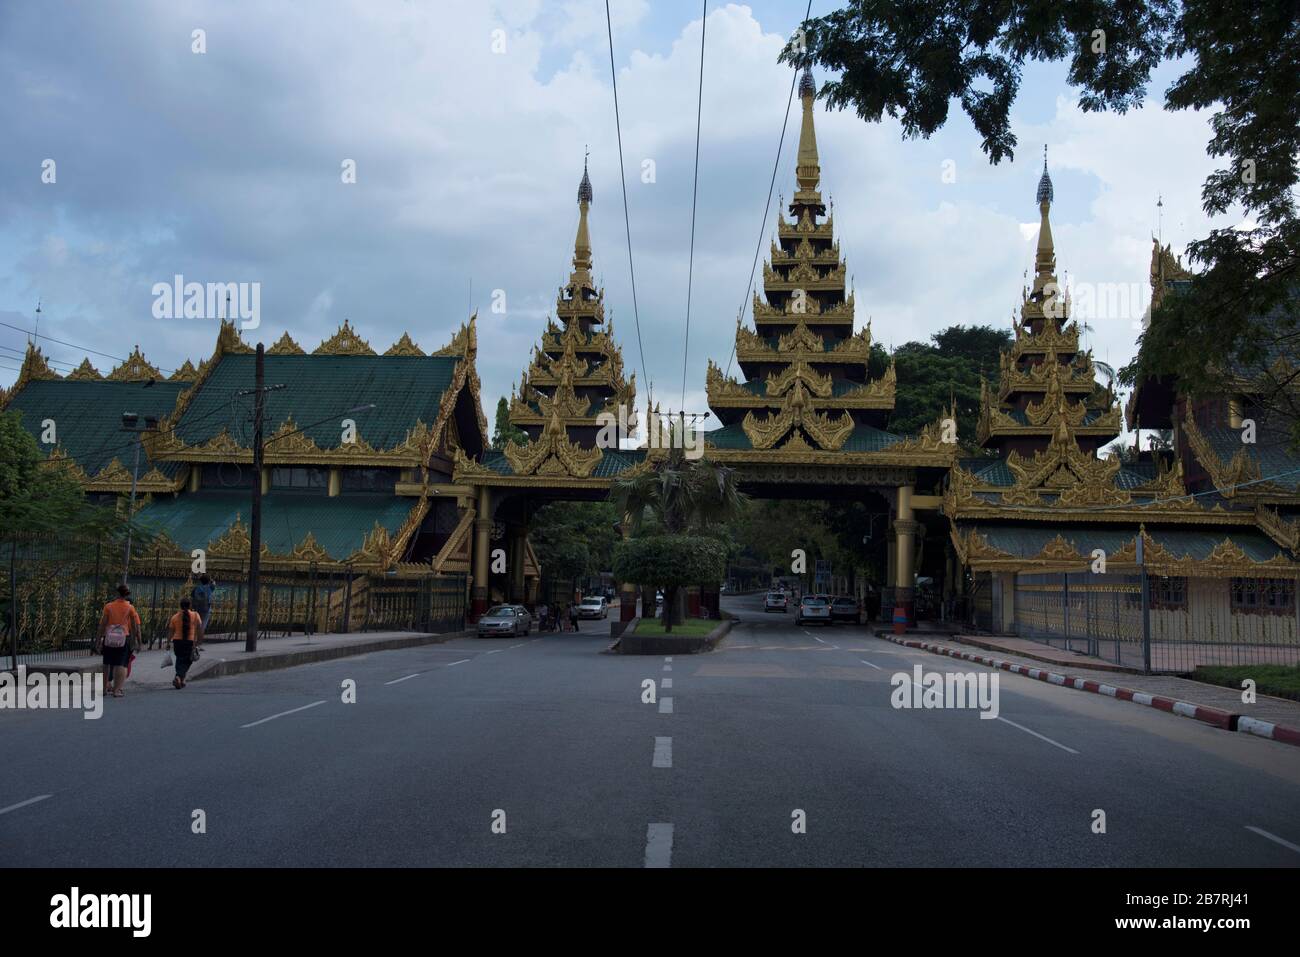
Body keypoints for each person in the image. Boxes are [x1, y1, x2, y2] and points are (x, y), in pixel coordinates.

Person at [96, 584, 141, 698]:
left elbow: (102, 624)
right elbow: (135, 626)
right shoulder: (130, 607)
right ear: (127, 594)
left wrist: (98, 640)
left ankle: (104, 689)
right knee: (120, 664)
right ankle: (116, 690)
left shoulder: (108, 606)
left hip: (109, 637)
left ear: (117, 593)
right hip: (123, 638)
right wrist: (134, 640)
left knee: (106, 663)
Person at [166, 597, 205, 689]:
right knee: (188, 660)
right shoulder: (195, 615)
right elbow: (200, 629)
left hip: (177, 641)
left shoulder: (175, 617)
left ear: (180, 606)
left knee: (180, 659)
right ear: (190, 605)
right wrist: (199, 641)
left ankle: (181, 679)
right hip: (190, 641)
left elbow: (171, 632)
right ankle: (179, 677)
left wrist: (168, 642)